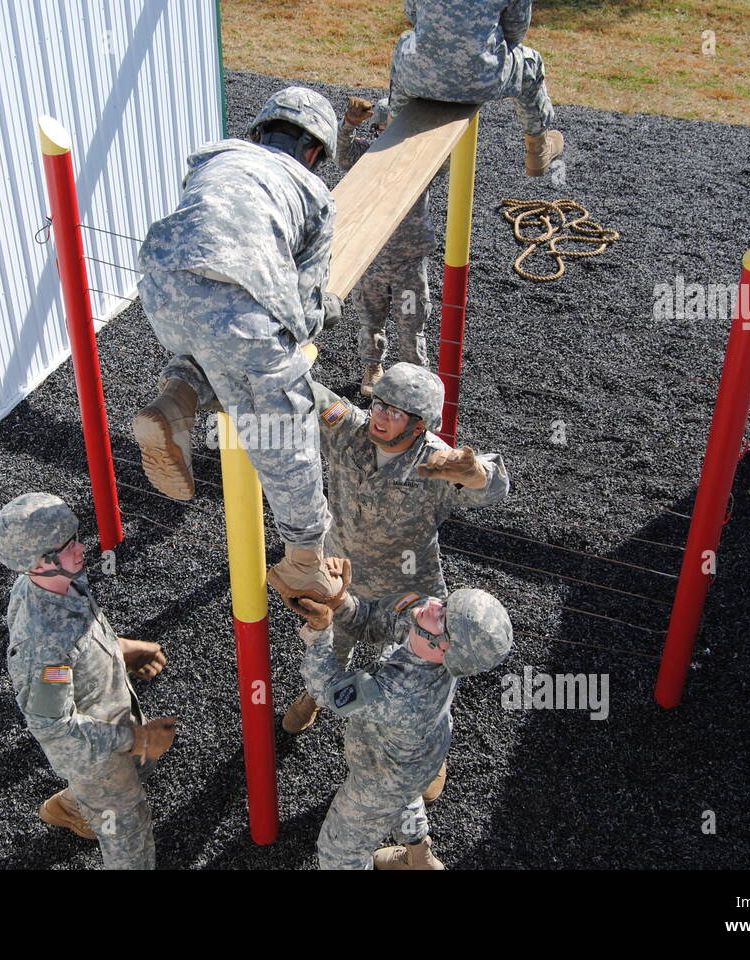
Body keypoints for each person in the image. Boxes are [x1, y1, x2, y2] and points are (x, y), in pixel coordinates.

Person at [132, 86, 347, 603]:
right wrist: (328, 309)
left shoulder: (215, 156)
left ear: (259, 131)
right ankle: (304, 563)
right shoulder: (314, 194)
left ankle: (177, 401)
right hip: (242, 307)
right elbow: (305, 306)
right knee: (284, 431)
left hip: (162, 287)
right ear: (315, 152)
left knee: (209, 344)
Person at [282, 362, 510, 779]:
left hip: (409, 592)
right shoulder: (350, 431)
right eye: (380, 405)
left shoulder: (436, 464)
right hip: (341, 572)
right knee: (330, 641)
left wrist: (475, 473)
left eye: (395, 412)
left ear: (419, 425)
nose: (380, 417)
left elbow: (493, 488)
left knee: (421, 673)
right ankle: (313, 696)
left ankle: (428, 750)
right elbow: (306, 392)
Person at [0, 492, 177, 869]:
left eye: (75, 537)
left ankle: (75, 806)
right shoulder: (45, 648)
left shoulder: (59, 579)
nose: (82, 548)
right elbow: (54, 725)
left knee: (143, 768)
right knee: (129, 833)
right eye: (67, 546)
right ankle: (89, 805)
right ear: (40, 562)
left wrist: (121, 650)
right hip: (94, 754)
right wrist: (135, 739)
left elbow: (82, 641)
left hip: (110, 712)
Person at [292, 559, 513, 869]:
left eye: (444, 616)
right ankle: (419, 857)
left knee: (338, 853)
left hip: (382, 777)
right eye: (446, 603)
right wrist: (340, 600)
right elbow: (372, 620)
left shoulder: (404, 697)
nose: (434, 604)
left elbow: (328, 689)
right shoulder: (425, 620)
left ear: (446, 649)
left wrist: (320, 631)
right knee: (407, 797)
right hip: (419, 755)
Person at [390, 0, 564, 176]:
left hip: (421, 78)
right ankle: (538, 150)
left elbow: (413, 14)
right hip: (481, 81)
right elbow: (515, 31)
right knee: (530, 64)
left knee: (404, 44)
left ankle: (392, 127)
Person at [337, 97, 437, 394]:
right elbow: (342, 155)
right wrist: (349, 125)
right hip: (371, 259)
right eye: (386, 127)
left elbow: (444, 156)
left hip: (408, 261)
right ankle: (373, 368)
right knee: (370, 320)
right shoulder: (367, 156)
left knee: (410, 325)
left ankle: (415, 381)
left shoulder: (421, 158)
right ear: (379, 127)